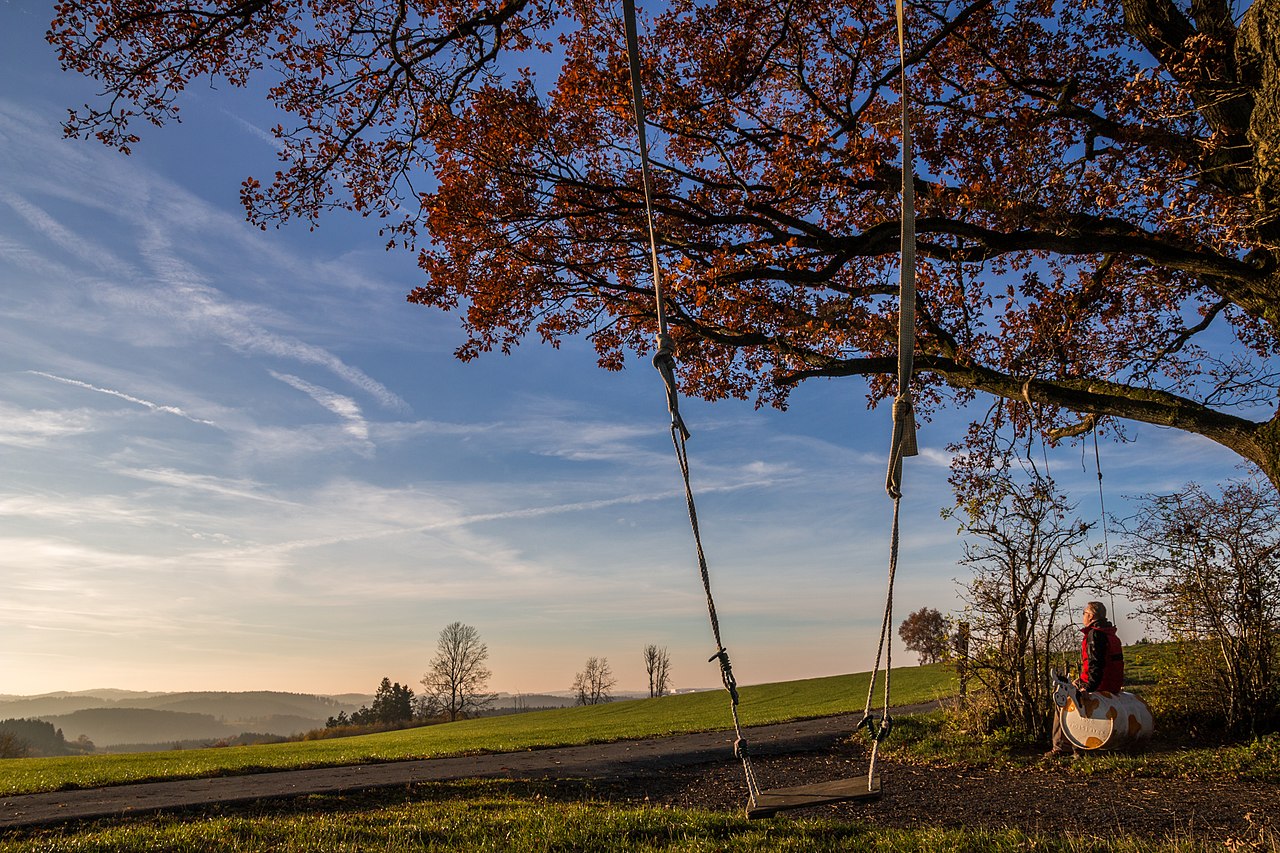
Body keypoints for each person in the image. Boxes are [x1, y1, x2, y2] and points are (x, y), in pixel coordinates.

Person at [1046, 601, 1124, 757]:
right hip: (1112, 683)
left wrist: (1087, 688)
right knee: (1070, 686)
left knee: (1061, 699)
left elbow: (1096, 665)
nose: (1083, 616)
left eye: (1084, 613)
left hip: (1099, 684)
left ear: (1091, 615)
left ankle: (1062, 747)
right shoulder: (1111, 635)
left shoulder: (1094, 634)